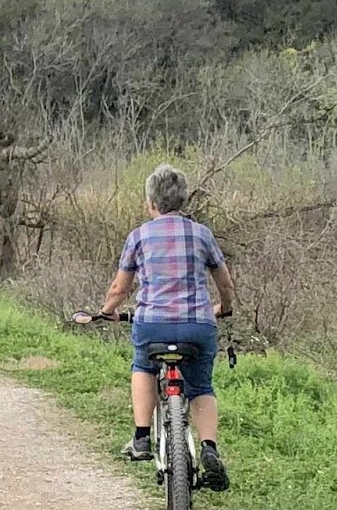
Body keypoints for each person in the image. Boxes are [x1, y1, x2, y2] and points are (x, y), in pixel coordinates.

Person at [99, 164, 235, 491]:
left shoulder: (139, 236)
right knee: (201, 386)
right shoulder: (202, 234)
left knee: (143, 367)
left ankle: (142, 438)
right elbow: (225, 284)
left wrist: (107, 311)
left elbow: (120, 289)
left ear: (151, 203)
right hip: (197, 326)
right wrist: (224, 309)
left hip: (153, 326)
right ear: (183, 199)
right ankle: (209, 449)